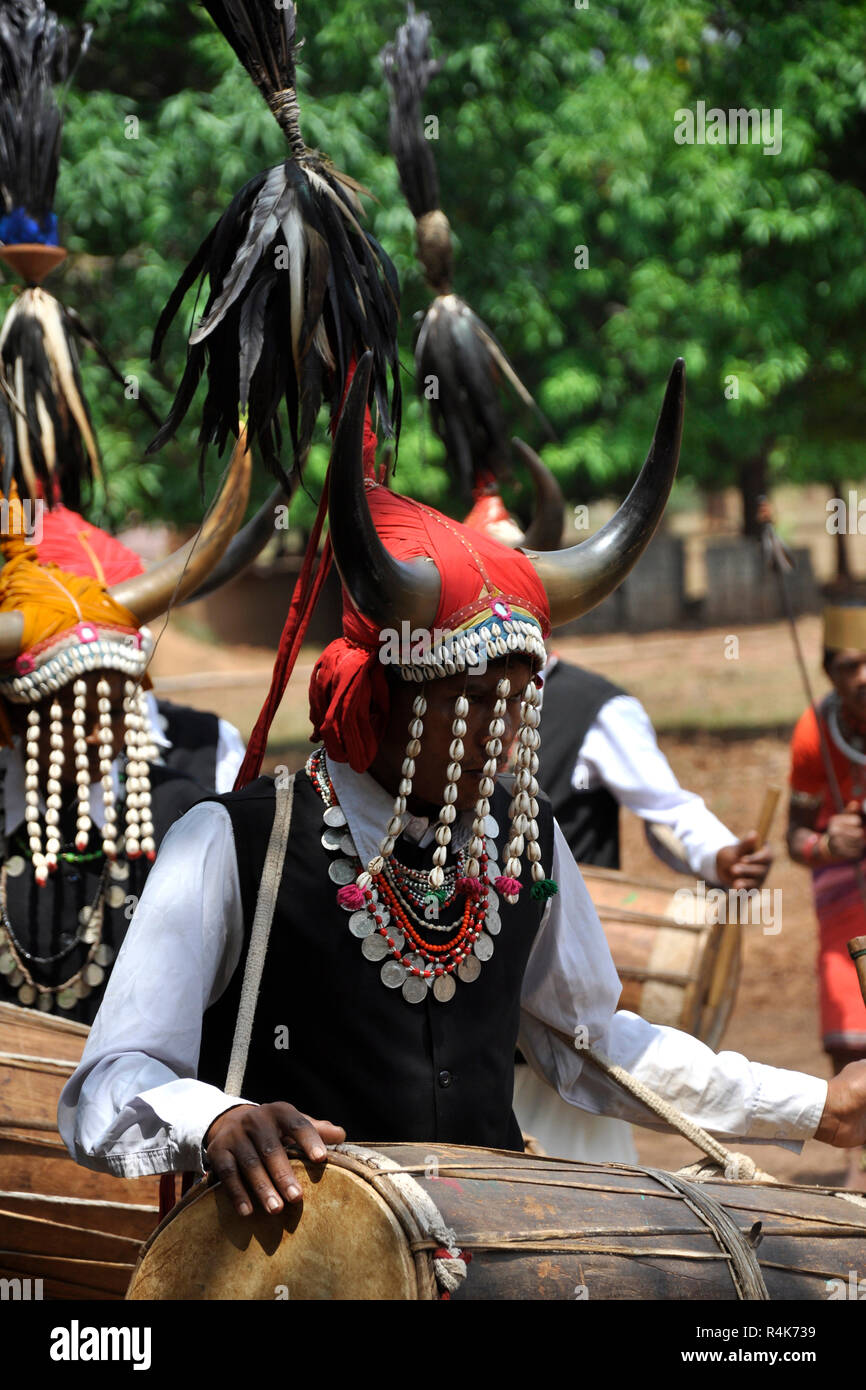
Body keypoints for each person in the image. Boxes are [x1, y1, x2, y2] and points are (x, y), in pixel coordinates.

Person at [57, 358, 866, 1222]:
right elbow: (110, 1081)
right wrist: (216, 1115)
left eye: (519, 703)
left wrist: (816, 1107)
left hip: (493, 1257)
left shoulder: (524, 837)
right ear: (388, 688)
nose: (501, 734)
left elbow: (591, 1044)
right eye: (472, 698)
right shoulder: (230, 841)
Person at [0, 435, 251, 1021]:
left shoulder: (183, 816)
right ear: (13, 715)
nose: (99, 737)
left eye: (114, 711)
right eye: (72, 713)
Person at [787, 600, 866, 1189]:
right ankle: (859, 1155)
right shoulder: (815, 732)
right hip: (844, 897)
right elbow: (795, 834)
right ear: (830, 672)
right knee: (849, 1020)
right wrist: (825, 843)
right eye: (847, 665)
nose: (861, 677)